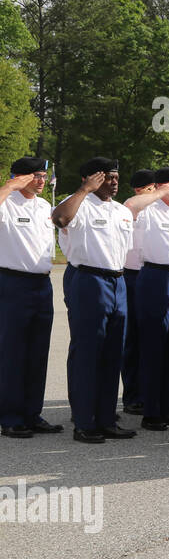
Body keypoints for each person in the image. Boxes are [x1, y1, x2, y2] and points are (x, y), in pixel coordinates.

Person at [51, 157, 153, 443]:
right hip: (88, 280)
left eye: (116, 176)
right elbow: (60, 219)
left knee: (112, 354)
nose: (114, 181)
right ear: (91, 178)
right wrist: (84, 190)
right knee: (87, 353)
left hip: (117, 281)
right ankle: (84, 422)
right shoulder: (78, 203)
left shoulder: (121, 211)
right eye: (107, 177)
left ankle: (107, 419)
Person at [0, 158, 60, 438]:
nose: (41, 181)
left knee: (37, 352)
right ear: (19, 177)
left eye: (43, 176)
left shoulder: (45, 206)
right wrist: (10, 186)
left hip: (41, 284)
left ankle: (32, 413)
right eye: (35, 176)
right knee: (12, 352)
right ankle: (10, 417)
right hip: (12, 282)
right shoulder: (7, 202)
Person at [133, 166, 169, 432]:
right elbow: (130, 206)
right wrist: (160, 191)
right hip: (157, 277)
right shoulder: (148, 211)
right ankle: (151, 411)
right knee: (154, 346)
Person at [120, 168, 155, 414]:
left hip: (150, 276)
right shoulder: (131, 207)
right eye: (152, 189)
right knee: (132, 339)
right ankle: (132, 395)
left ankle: (149, 392)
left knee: (150, 338)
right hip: (131, 276)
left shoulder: (157, 210)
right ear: (140, 190)